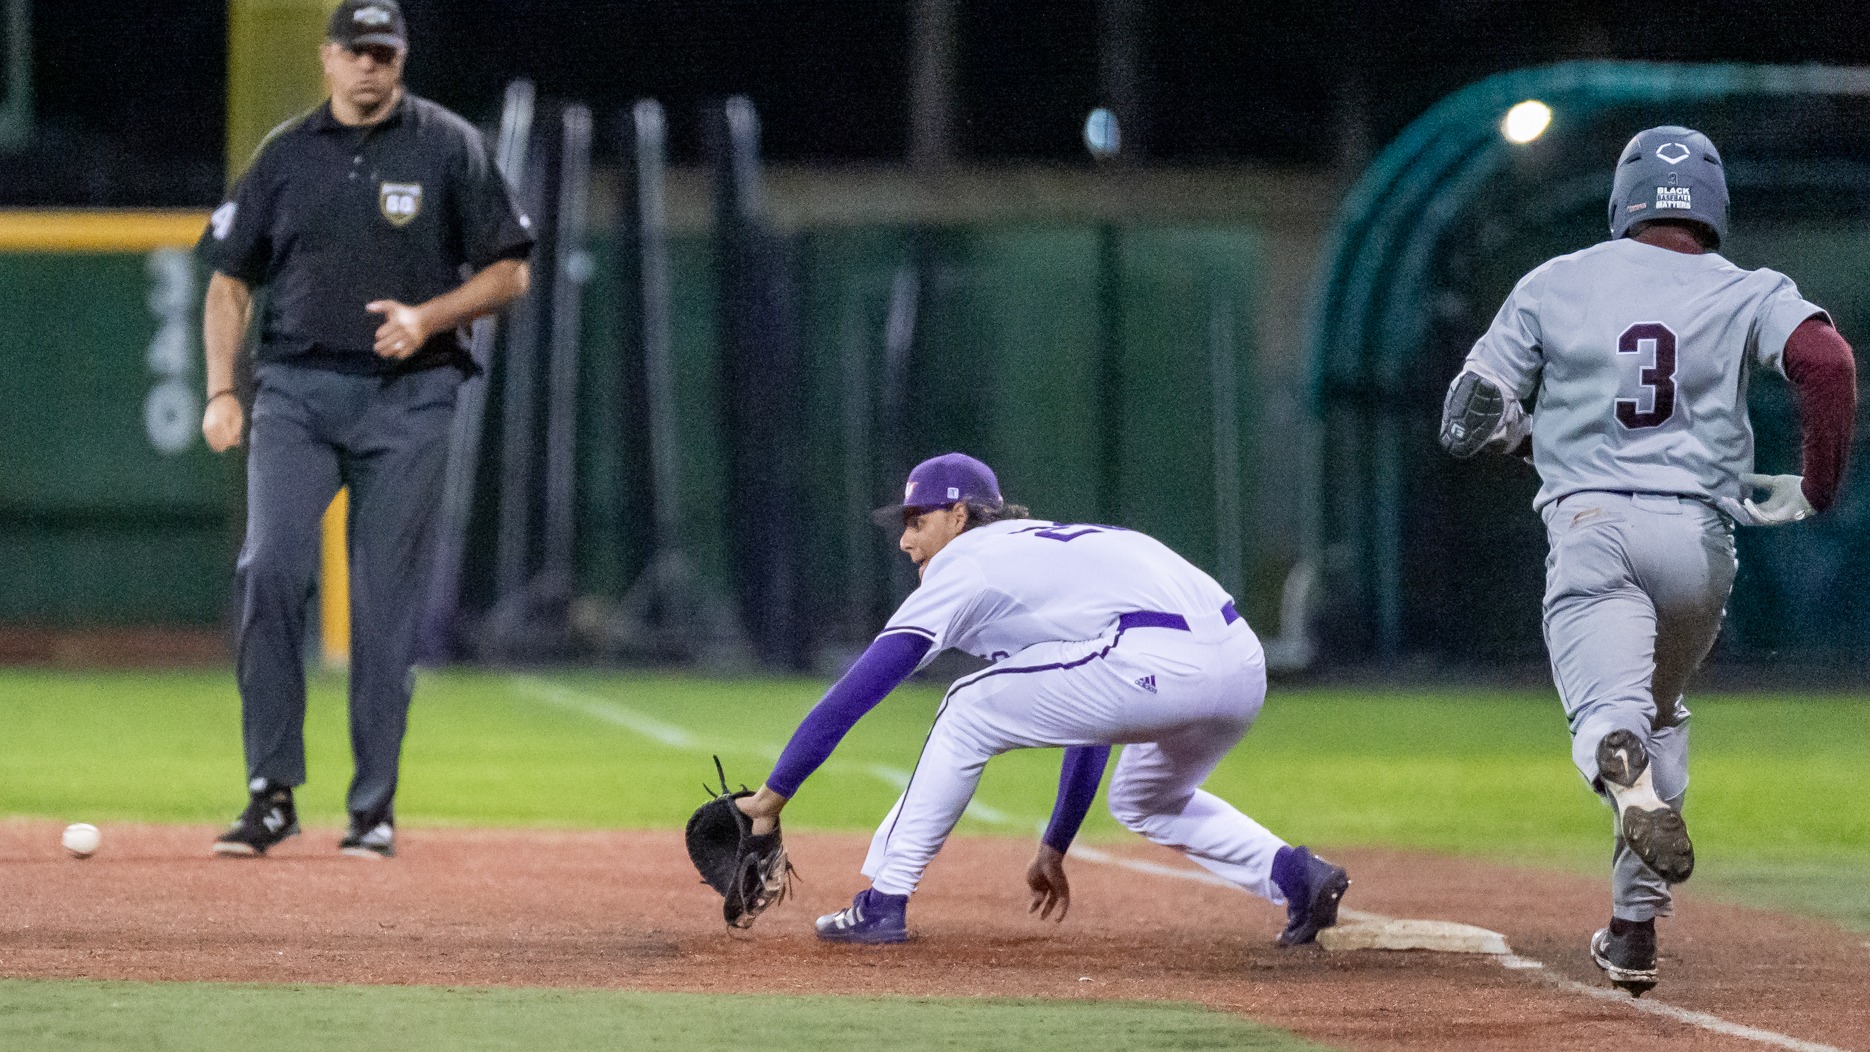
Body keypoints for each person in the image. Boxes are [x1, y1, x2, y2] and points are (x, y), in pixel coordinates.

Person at [1439, 126, 1856, 996]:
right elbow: (1828, 362)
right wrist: (1818, 486)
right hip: (1701, 544)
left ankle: (1622, 774)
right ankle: (1632, 934)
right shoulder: (1749, 289)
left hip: (1594, 525)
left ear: (1623, 199)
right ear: (1714, 204)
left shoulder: (1555, 282)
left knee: (1608, 718)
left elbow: (1468, 416)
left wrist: (1536, 437)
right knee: (1661, 714)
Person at [732, 452, 1351, 945]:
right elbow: (1095, 710)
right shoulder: (1038, 555)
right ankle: (1298, 876)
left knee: (966, 710)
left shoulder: (969, 562)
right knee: (1145, 798)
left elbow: (865, 683)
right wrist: (1056, 842)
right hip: (1239, 664)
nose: (905, 540)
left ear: (961, 516)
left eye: (917, 520)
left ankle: (883, 902)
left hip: (1158, 657)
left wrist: (774, 793)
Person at [197, 0, 533, 860]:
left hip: (411, 397)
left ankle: (371, 810)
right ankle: (271, 794)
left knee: (386, 608)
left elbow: (508, 271)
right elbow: (230, 280)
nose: (369, 67)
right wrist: (219, 392)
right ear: (328, 58)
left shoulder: (448, 145)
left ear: (402, 57)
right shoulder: (285, 155)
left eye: (384, 53)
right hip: (297, 393)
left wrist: (429, 317)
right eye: (356, 52)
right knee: (269, 568)